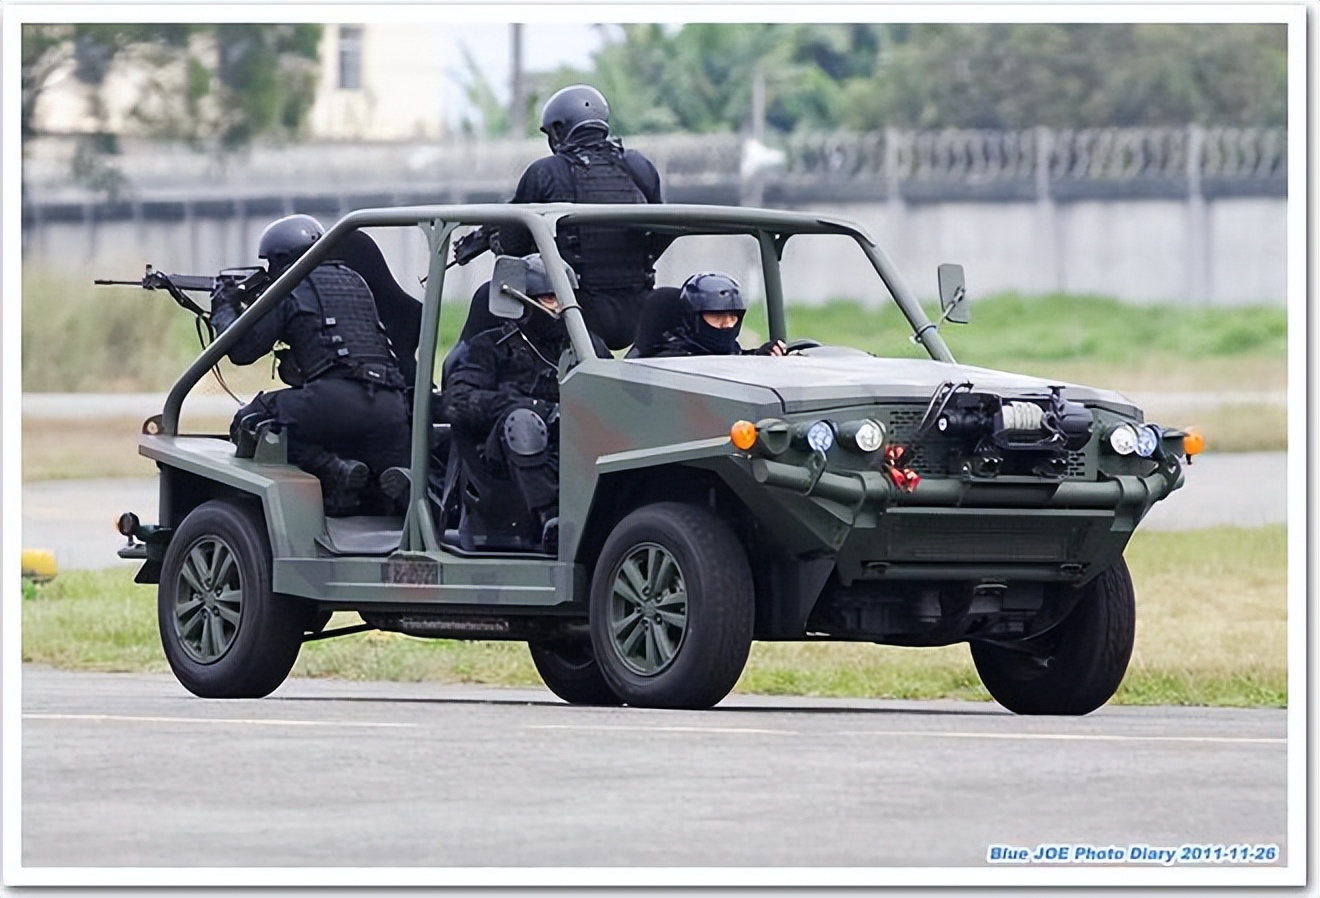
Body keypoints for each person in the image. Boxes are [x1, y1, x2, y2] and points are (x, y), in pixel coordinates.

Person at [212, 214, 410, 516]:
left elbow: (242, 350)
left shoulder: (291, 285)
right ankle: (360, 485)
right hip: (391, 406)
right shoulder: (354, 281)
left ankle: (334, 470)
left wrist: (224, 307)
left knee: (251, 422)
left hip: (336, 401)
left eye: (270, 264)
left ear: (281, 259)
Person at [455, 84, 665, 351]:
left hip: (572, 313)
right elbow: (662, 230)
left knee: (489, 295)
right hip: (637, 313)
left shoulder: (545, 172)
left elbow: (513, 251)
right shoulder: (640, 167)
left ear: (557, 130)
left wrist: (497, 239)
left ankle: (457, 375)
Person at [438, 254, 610, 552]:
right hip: (504, 456)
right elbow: (457, 401)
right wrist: (528, 407)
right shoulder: (489, 347)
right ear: (523, 301)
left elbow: (614, 399)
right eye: (547, 298)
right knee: (523, 424)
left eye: (562, 298)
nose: (557, 307)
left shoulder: (588, 347)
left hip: (577, 446)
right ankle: (551, 520)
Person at [632, 272, 787, 358]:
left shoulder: (733, 354)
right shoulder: (670, 363)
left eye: (733, 316)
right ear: (692, 318)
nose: (727, 324)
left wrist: (760, 357)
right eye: (716, 316)